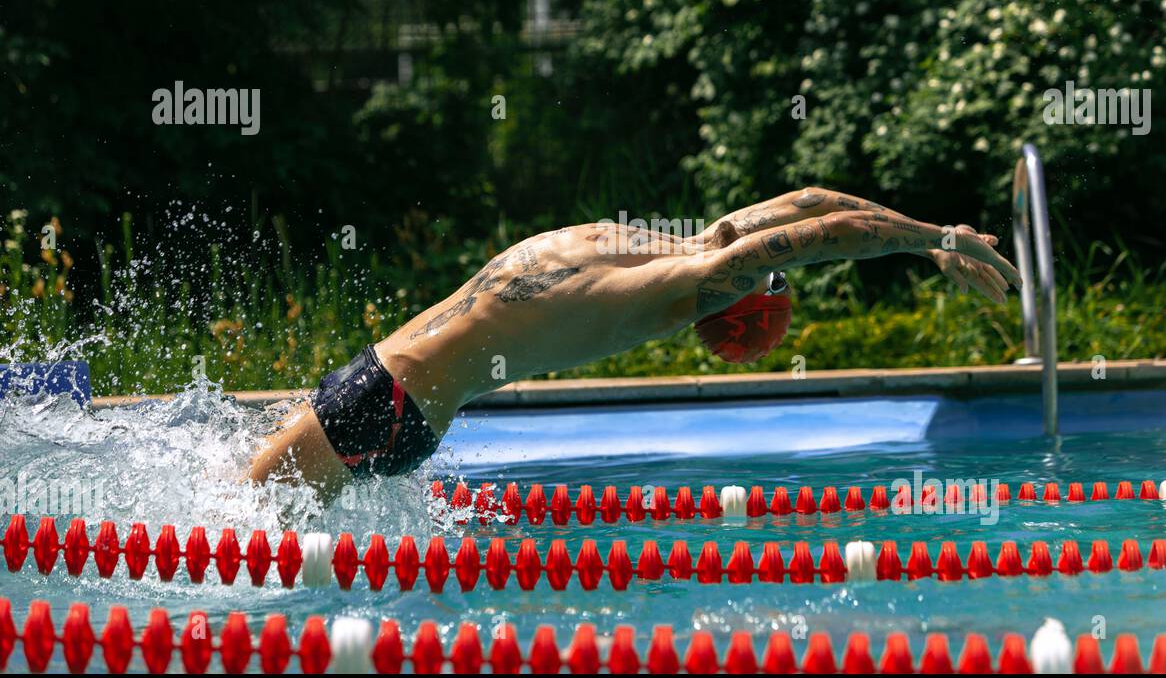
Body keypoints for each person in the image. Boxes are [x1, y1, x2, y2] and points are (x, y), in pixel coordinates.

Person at [248, 188, 1020, 499]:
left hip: (382, 400)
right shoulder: (679, 252)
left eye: (772, 276)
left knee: (225, 526)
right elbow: (807, 203)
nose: (775, 268)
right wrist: (931, 242)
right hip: (396, 402)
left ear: (739, 298)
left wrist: (933, 238)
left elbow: (820, 236)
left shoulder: (677, 288)